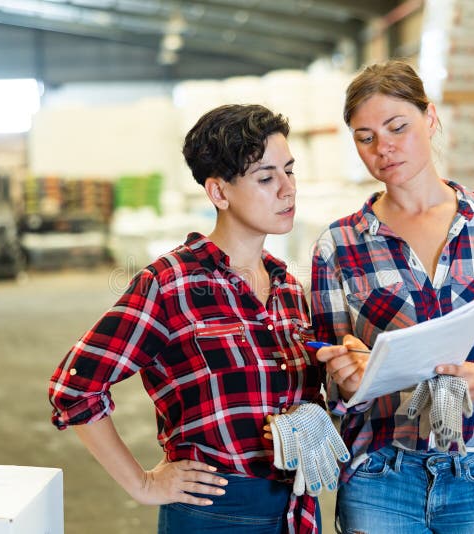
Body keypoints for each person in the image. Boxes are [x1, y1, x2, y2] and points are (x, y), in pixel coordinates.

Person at [310, 59, 474, 533]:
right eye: (366, 137)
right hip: (378, 475)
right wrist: (347, 377)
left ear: (430, 118)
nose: (383, 148)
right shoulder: (338, 244)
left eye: (397, 127)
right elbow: (330, 375)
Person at [49, 104, 328, 533]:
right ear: (218, 192)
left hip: (295, 513)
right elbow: (75, 385)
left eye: (290, 171)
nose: (288, 189)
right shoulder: (172, 284)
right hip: (214, 513)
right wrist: (142, 484)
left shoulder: (287, 287)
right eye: (267, 178)